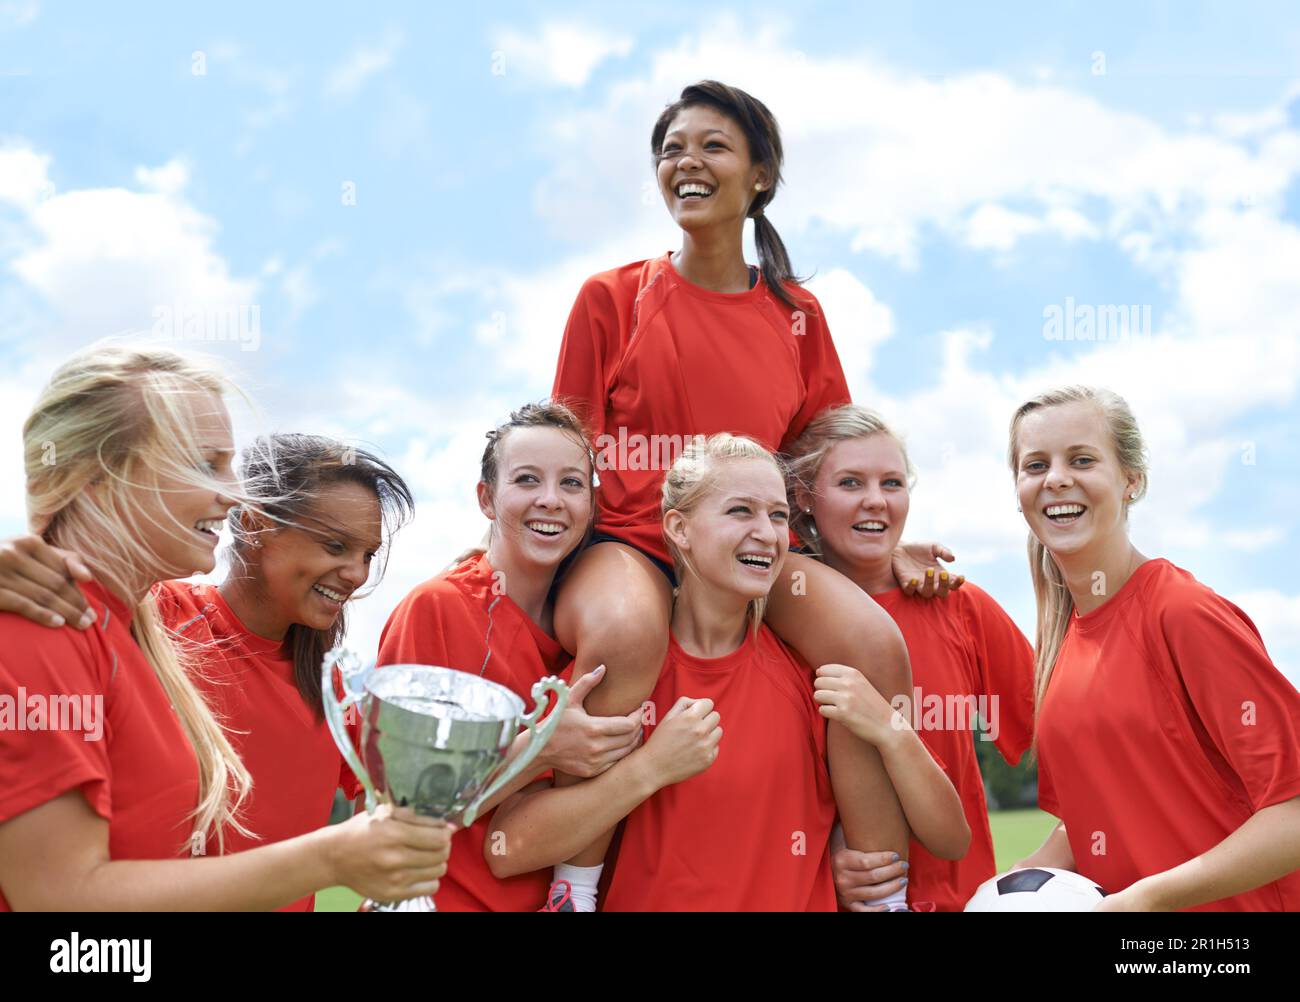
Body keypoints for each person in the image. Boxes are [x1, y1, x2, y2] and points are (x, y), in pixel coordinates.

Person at [544, 79, 961, 910]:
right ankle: (574, 887)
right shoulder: (610, 298)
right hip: (635, 539)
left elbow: (824, 457)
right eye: (672, 150)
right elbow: (568, 445)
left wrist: (876, 542)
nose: (687, 163)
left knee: (871, 643)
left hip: (757, 548)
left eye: (713, 146)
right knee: (626, 632)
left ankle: (878, 893)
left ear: (760, 175)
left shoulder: (798, 314)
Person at [0, 345, 450, 910]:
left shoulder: (135, 630)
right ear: (98, 476)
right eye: (203, 464)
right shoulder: (50, 622)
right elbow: (61, 900)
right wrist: (329, 858)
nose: (234, 492)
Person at [488, 433, 968, 911]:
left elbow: (948, 838)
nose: (767, 533)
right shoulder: (618, 679)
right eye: (740, 511)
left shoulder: (821, 681)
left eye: (777, 515)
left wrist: (849, 862)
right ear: (679, 528)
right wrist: (648, 770)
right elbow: (506, 850)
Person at [1009, 385, 1300, 910]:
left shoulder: (1182, 613)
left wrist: (1149, 898)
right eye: (1035, 465)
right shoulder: (1061, 648)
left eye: (1082, 459)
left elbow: (1293, 811)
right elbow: (1093, 816)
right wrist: (1020, 881)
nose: (1055, 478)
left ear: (1131, 480)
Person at [377, 401, 654, 911]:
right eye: (527, 480)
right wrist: (540, 749)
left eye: (571, 483)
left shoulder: (591, 633)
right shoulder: (437, 607)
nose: (550, 500)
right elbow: (404, 806)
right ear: (486, 498)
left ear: (591, 505)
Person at [786, 404, 1035, 911]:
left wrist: (1035, 880)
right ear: (805, 497)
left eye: (892, 483)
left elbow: (1071, 748)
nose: (876, 501)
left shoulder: (959, 606)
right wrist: (823, 860)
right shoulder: (775, 623)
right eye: (851, 483)